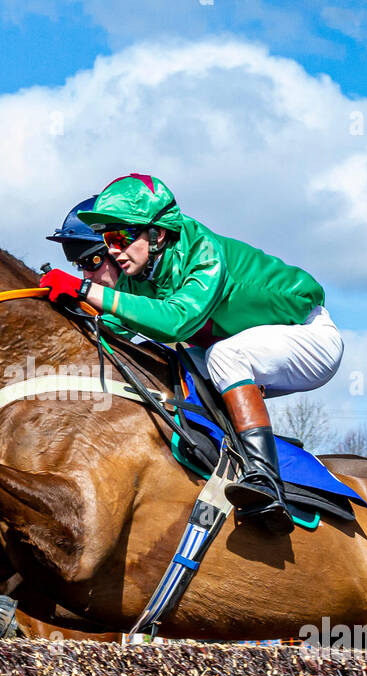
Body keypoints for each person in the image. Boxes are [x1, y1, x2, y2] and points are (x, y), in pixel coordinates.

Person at [42, 174, 343, 531]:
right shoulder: (143, 270)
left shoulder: (205, 253)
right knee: (177, 364)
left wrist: (84, 289)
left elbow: (176, 323)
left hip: (309, 338)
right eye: (108, 239)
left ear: (158, 233)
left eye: (121, 238)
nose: (113, 250)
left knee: (222, 357)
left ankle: (265, 481)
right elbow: (118, 332)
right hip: (252, 345)